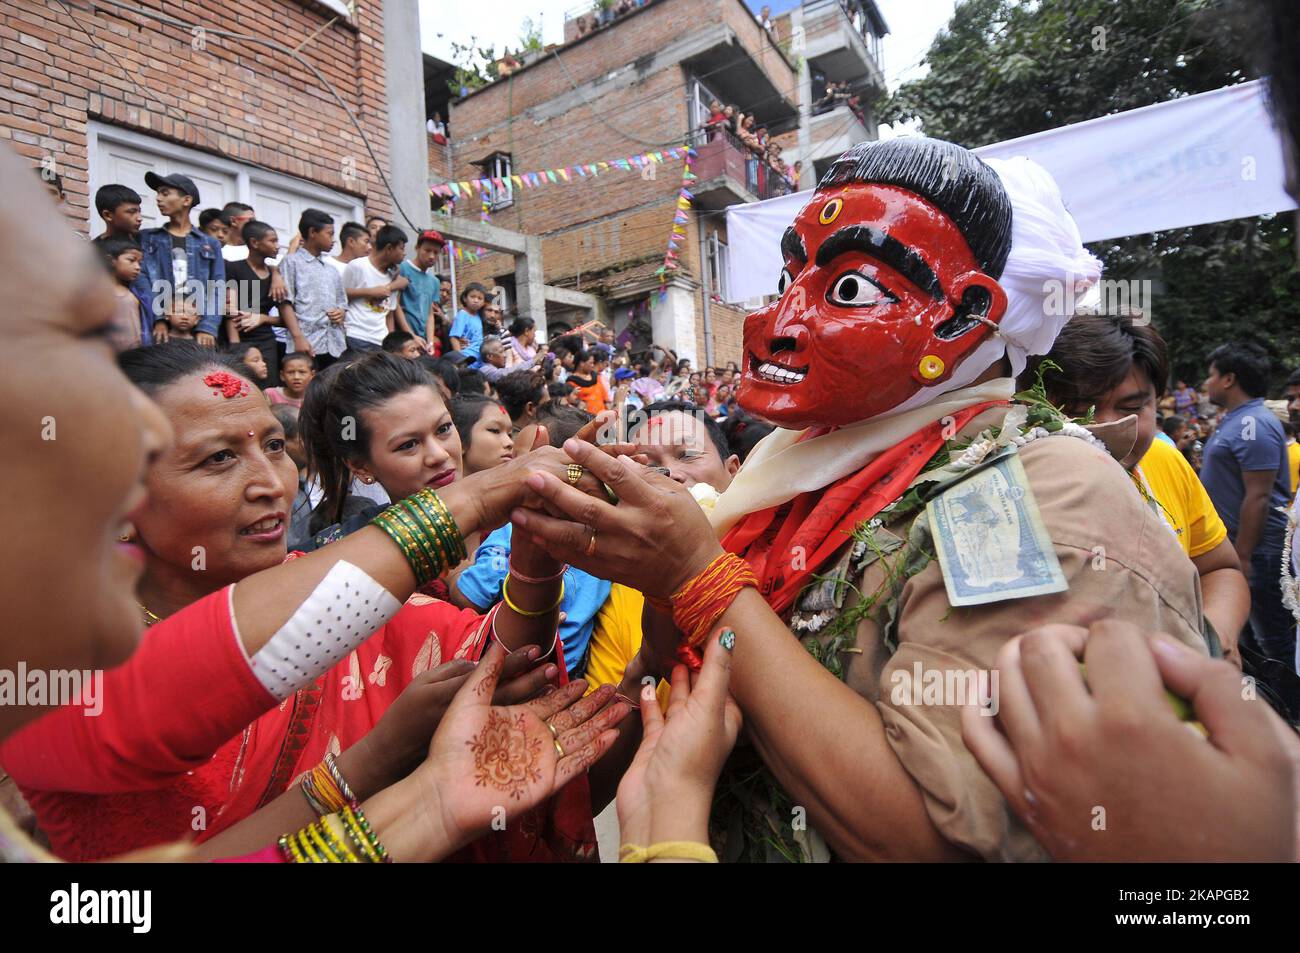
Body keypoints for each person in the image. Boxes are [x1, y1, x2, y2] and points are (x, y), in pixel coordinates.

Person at [513, 139, 1208, 863]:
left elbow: (942, 838)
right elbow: (657, 716)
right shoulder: (786, 475)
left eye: (848, 289)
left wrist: (698, 578)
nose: (776, 322)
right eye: (788, 276)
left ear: (965, 314)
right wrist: (635, 590)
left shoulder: (1038, 491)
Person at [0, 156, 626, 866]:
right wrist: (385, 756)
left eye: (273, 444)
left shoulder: (339, 588)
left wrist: (535, 557)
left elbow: (499, 666)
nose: (272, 481)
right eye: (217, 459)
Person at [1028, 312, 1249, 663]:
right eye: (1074, 409)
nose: (1105, 426)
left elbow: (1220, 569)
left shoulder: (1165, 460)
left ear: (1156, 404)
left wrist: (1214, 637)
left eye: (1131, 407)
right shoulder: (1011, 486)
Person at [1200, 342, 1295, 669]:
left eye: (1210, 375)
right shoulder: (1238, 420)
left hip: (1257, 553)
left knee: (1272, 638)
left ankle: (1291, 712)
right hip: (1242, 549)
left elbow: (1260, 496)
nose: (1206, 383)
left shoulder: (1253, 424)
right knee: (1252, 639)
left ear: (1229, 379)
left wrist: (1241, 556)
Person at [139, 171, 224, 348]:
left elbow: (217, 286)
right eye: (157, 193)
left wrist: (208, 326)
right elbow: (142, 279)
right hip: (159, 328)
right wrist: (159, 318)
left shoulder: (209, 243)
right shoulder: (148, 239)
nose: (158, 199)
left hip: (196, 327)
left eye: (165, 193)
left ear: (186, 200)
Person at [278, 208, 346, 367]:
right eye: (329, 234)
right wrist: (297, 337)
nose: (333, 239)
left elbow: (342, 303)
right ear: (313, 232)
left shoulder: (331, 269)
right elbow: (285, 303)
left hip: (334, 344)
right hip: (306, 344)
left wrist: (341, 312)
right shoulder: (291, 262)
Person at [224, 220, 283, 386]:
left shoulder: (276, 277)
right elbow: (231, 311)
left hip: (266, 340)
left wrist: (263, 318)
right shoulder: (234, 268)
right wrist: (235, 347)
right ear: (255, 243)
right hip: (239, 339)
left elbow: (288, 320)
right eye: (272, 241)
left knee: (269, 386)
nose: (277, 246)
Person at [341, 224, 407, 353]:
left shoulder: (393, 276)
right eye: (401, 248)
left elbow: (389, 314)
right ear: (389, 248)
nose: (404, 253)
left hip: (380, 341)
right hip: (356, 336)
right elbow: (341, 294)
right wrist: (370, 292)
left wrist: (390, 344)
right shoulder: (358, 266)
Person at [99, 235, 152, 351]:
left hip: (133, 358)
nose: (138, 267)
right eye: (131, 260)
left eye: (139, 263)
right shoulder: (97, 293)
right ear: (110, 260)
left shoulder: (137, 294)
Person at [397, 229, 443, 352]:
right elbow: (395, 306)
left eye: (436, 252)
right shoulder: (402, 268)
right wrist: (410, 335)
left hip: (421, 341)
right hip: (401, 339)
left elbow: (429, 314)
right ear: (417, 248)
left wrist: (430, 342)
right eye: (427, 250)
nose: (432, 256)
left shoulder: (434, 281)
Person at [449, 281, 488, 365]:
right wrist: (460, 360)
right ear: (465, 298)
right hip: (467, 358)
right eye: (472, 297)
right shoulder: (462, 315)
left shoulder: (479, 316)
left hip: (479, 359)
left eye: (480, 298)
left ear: (484, 302)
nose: (476, 300)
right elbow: (454, 338)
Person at [567, 349, 609, 414]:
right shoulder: (572, 382)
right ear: (582, 363)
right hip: (587, 419)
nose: (593, 365)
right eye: (590, 363)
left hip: (603, 417)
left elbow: (605, 398)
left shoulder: (596, 377)